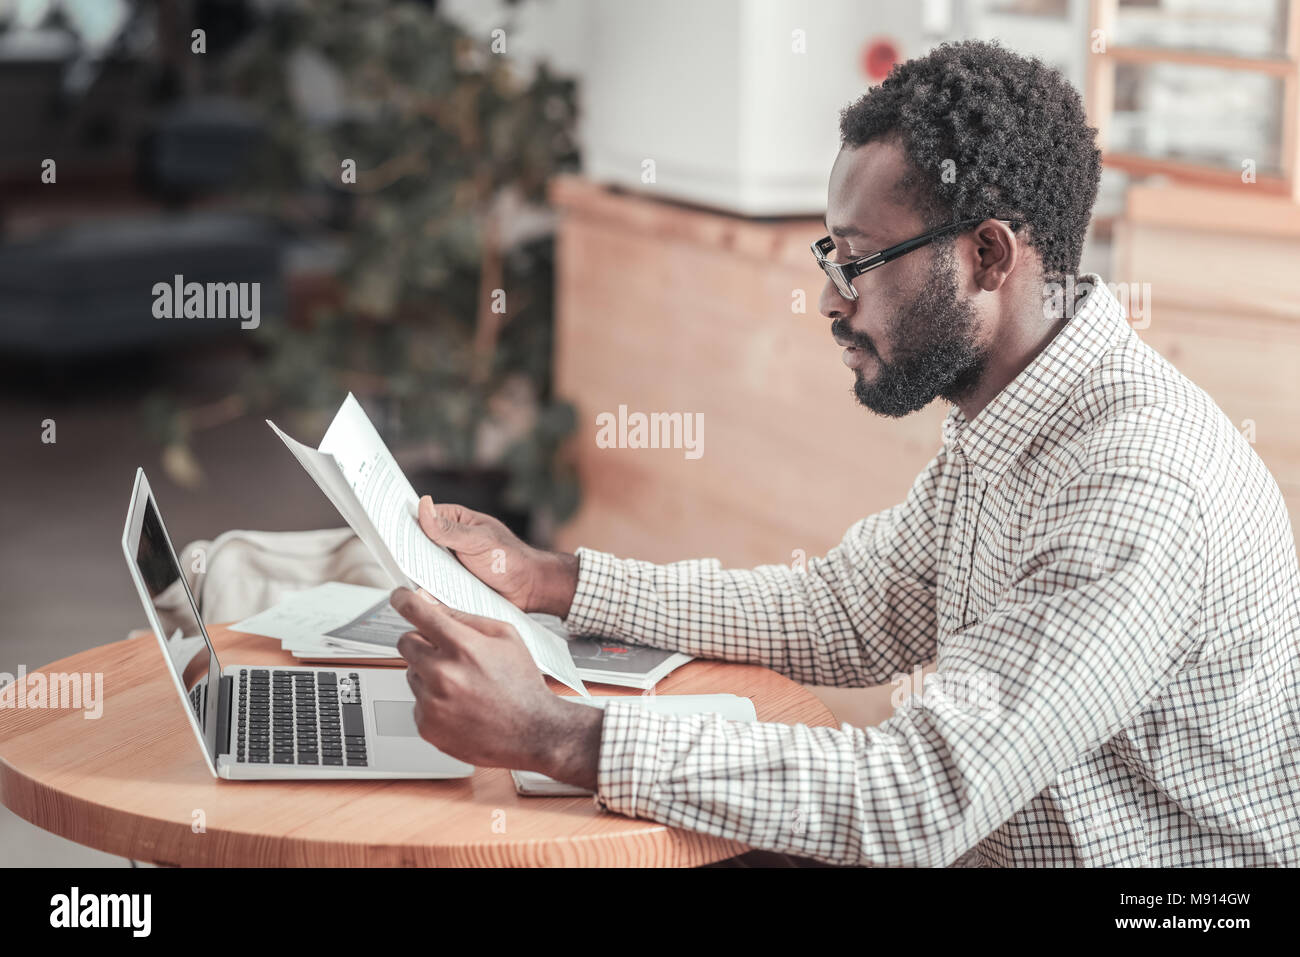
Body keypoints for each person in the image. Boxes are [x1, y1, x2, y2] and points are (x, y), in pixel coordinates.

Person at [389, 40, 1299, 867]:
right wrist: (550, 578)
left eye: (856, 261)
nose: (830, 300)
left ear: (988, 256)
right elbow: (847, 611)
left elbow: (917, 798)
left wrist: (554, 734)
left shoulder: (1138, 485)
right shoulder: (1016, 412)